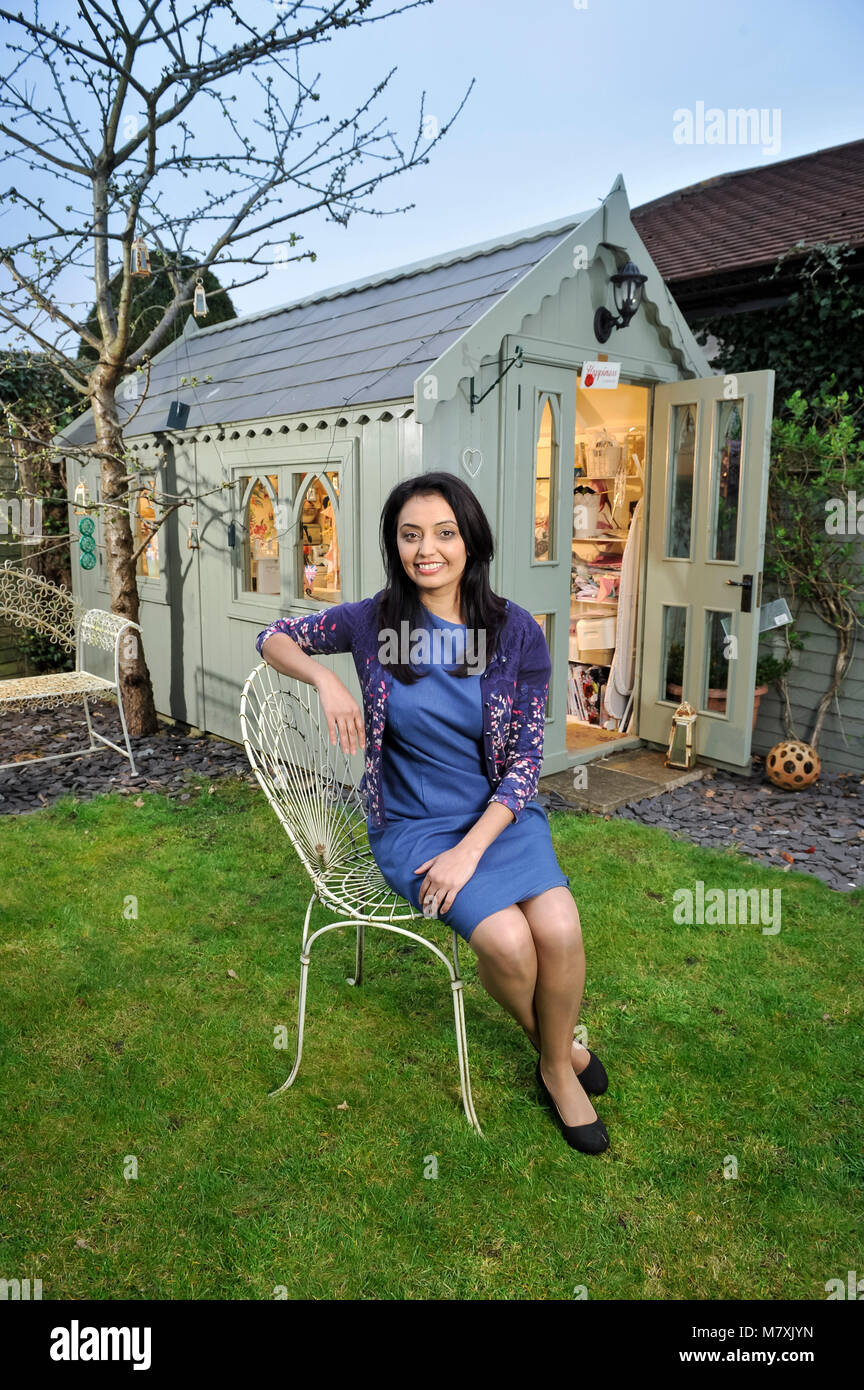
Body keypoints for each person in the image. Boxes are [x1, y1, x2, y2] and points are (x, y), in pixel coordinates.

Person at [256, 471, 610, 1155]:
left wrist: (471, 849)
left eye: (444, 533)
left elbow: (527, 764)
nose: (428, 549)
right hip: (412, 824)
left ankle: (553, 1054)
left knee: (559, 929)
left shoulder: (514, 635)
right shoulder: (372, 622)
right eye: (411, 534)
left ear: (469, 540)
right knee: (507, 941)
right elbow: (275, 636)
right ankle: (557, 1061)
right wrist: (327, 677)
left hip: (497, 819)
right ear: (395, 544)